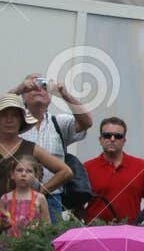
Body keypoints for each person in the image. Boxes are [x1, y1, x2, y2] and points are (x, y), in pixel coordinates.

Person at [13, 73, 92, 224]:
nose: (37, 89)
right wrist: (17, 89)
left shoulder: (58, 122)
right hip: (18, 197)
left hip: (52, 198)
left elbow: (86, 122)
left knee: (49, 244)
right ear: (23, 98)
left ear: (49, 97)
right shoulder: (14, 123)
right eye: (31, 87)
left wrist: (65, 94)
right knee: (16, 244)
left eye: (43, 86)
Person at [83, 117, 144, 224]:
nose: (112, 139)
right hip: (95, 233)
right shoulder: (87, 167)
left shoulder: (140, 166)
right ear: (100, 139)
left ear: (124, 140)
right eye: (107, 135)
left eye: (118, 136)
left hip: (129, 234)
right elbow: (77, 206)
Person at [0, 93, 71, 203]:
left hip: (22, 213)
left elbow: (65, 172)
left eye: (14, 115)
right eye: (4, 115)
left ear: (21, 120)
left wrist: (39, 192)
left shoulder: (30, 147)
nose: (9, 120)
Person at [0, 156, 50, 234]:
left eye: (29, 171)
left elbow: (47, 225)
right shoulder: (5, 198)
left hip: (32, 244)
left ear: (35, 176)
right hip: (9, 244)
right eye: (19, 170)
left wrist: (39, 227)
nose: (23, 174)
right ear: (12, 174)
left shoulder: (40, 198)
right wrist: (3, 224)